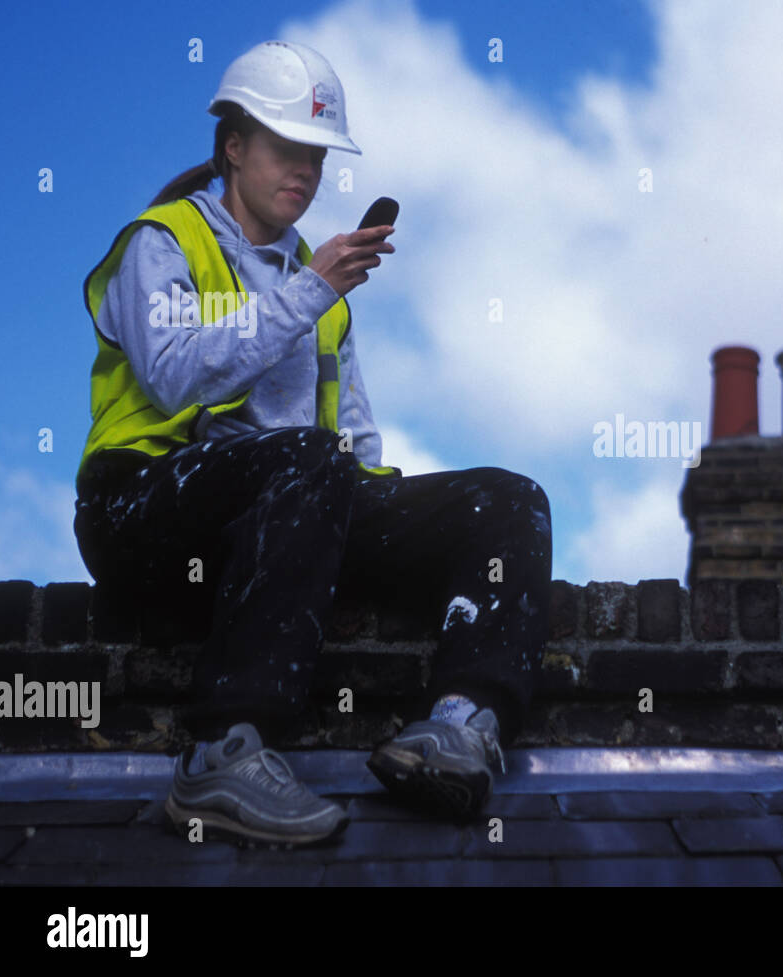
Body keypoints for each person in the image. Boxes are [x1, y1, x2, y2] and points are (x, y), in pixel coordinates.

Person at [72, 40, 553, 846]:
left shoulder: (323, 294)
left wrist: (410, 524)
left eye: (317, 156)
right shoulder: (164, 242)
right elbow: (172, 376)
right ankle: (225, 748)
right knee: (304, 456)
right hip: (142, 509)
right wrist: (311, 289)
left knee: (504, 499)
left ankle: (459, 724)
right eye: (286, 149)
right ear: (233, 147)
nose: (306, 171)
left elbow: (354, 452)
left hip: (285, 521)